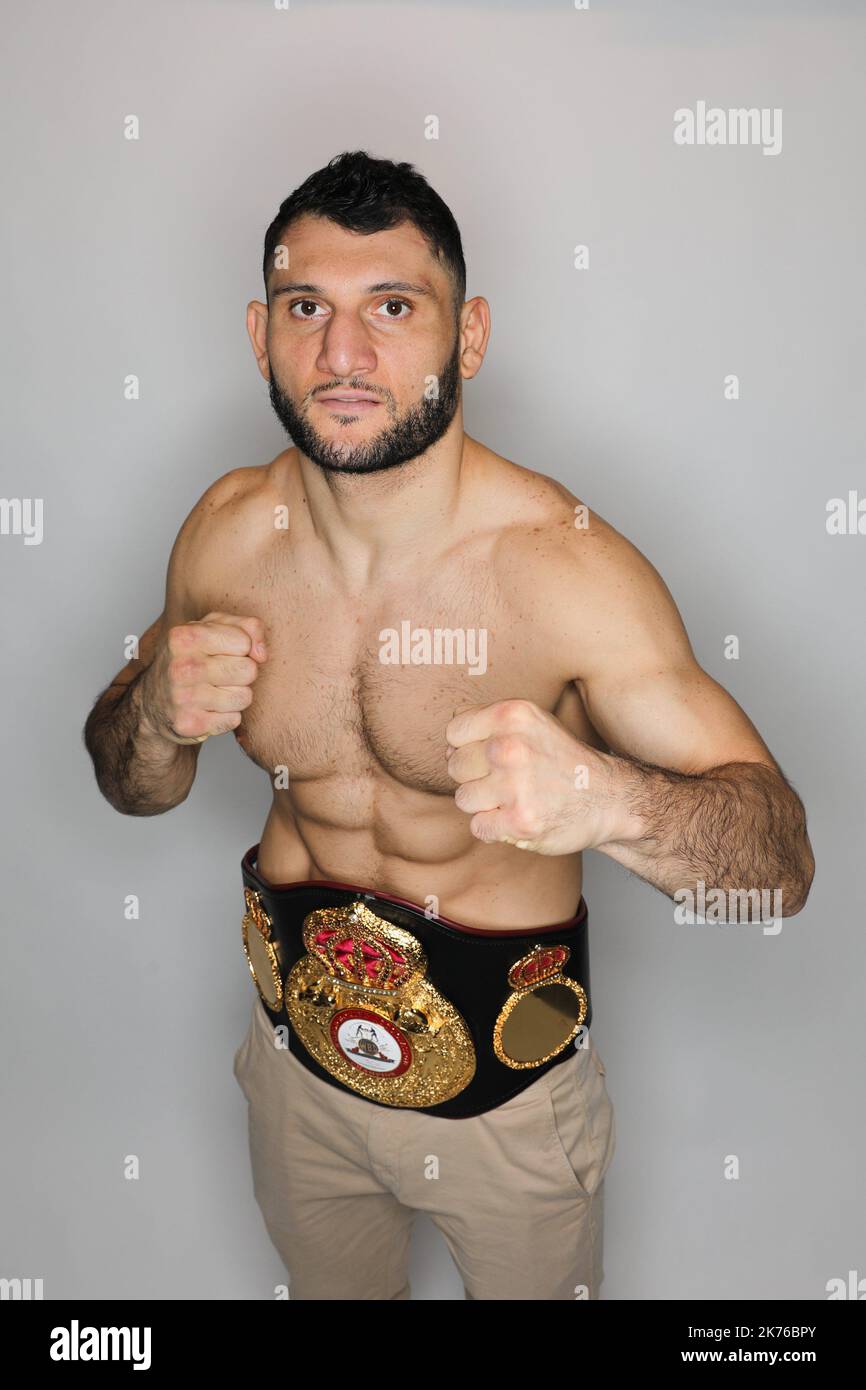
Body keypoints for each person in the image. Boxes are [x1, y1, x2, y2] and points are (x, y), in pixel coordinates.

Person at [83, 150, 815, 1301]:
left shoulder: (566, 571)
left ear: (466, 337)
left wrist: (609, 800)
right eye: (304, 307)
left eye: (392, 308)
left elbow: (777, 871)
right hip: (296, 1080)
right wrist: (156, 718)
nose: (343, 355)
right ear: (257, 332)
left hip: (508, 1120)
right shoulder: (224, 533)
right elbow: (134, 786)